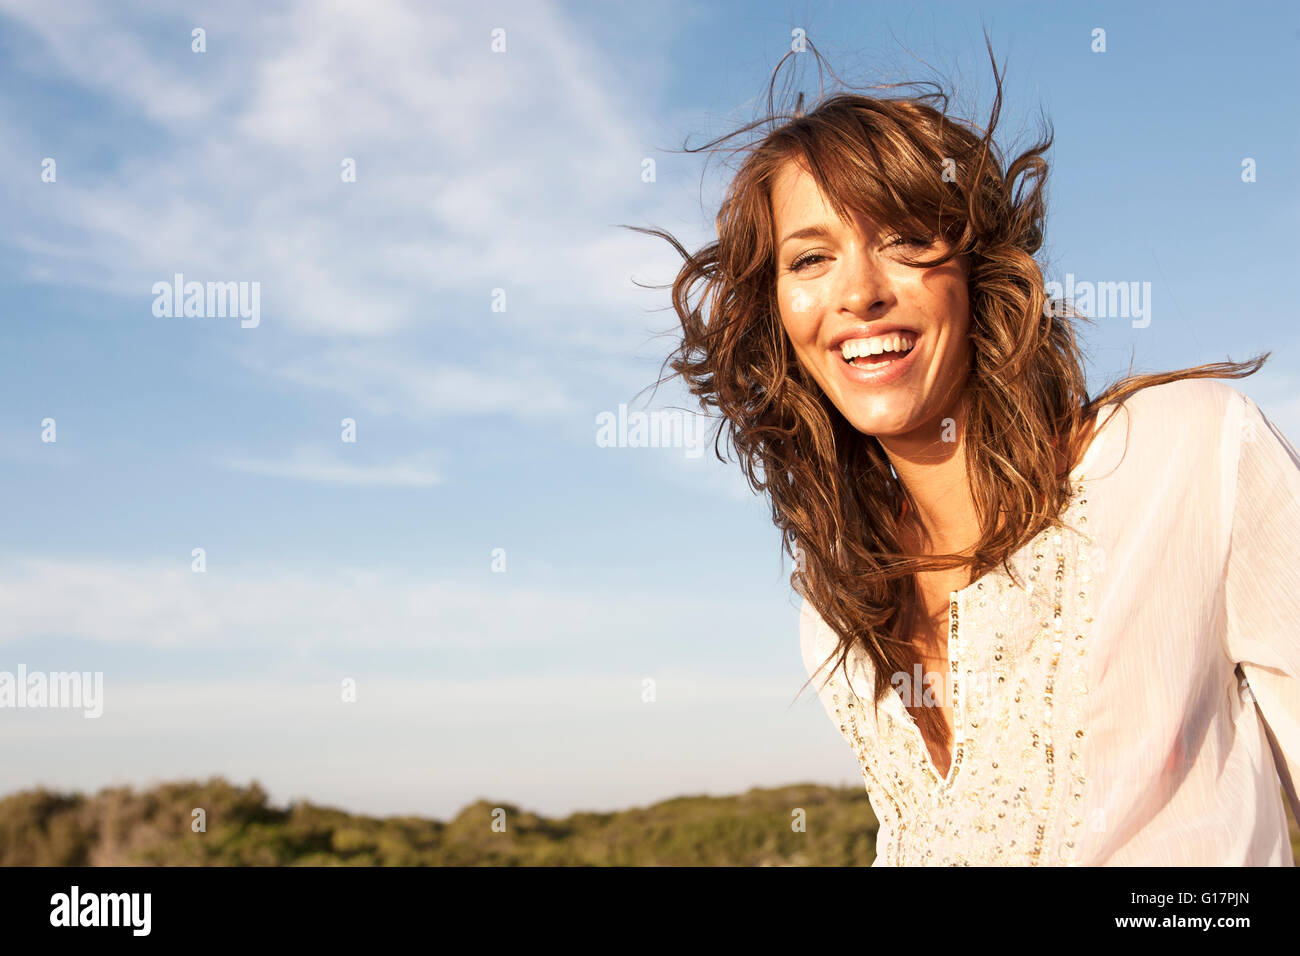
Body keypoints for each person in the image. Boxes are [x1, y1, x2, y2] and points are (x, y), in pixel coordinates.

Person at [631, 41, 1299, 865]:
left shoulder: (1189, 452)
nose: (859, 292)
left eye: (905, 239)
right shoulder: (836, 607)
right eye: (811, 258)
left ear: (978, 269)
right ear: (777, 314)